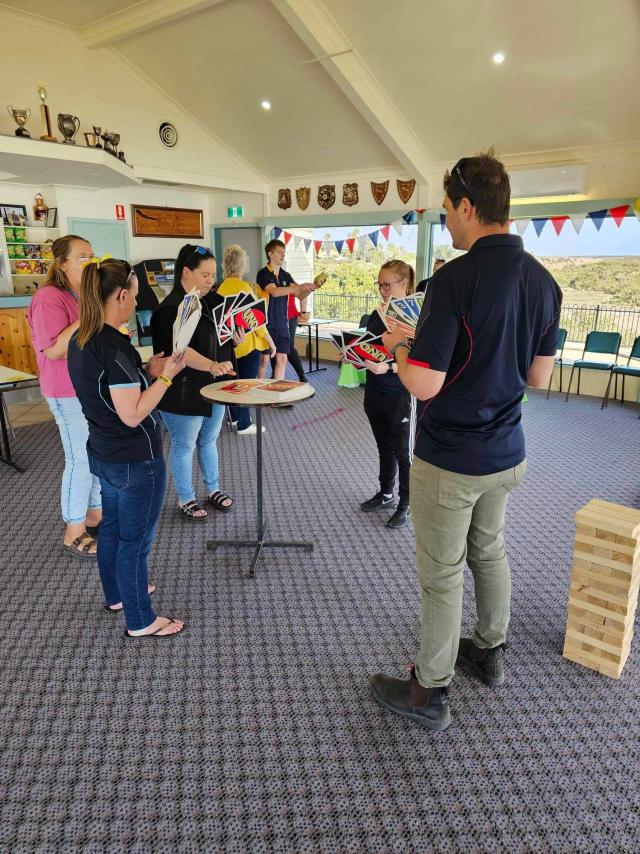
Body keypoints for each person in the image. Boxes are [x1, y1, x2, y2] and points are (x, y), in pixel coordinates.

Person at [370, 150, 562, 731]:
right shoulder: (544, 281)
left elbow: (424, 384)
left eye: (448, 209)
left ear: (469, 207)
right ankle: (488, 650)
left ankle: (429, 691)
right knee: (490, 549)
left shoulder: (455, 279)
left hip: (452, 458)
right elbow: (539, 376)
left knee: (442, 575)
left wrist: (398, 344)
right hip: (507, 453)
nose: (446, 219)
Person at [67, 256, 187, 637]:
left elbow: (109, 389)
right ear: (120, 296)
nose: (137, 303)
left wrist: (146, 372)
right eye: (135, 295)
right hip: (135, 459)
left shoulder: (81, 340)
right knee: (134, 542)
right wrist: (166, 378)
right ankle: (141, 620)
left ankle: (118, 595)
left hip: (105, 453)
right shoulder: (114, 348)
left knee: (113, 530)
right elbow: (132, 413)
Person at [27, 234, 102, 559]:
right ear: (61, 264)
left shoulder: (81, 294)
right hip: (65, 390)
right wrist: (91, 313)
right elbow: (56, 350)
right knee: (80, 459)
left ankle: (95, 514)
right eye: (82, 256)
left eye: (92, 255)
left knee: (96, 454)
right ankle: (73, 529)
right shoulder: (48, 297)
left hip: (88, 387)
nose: (91, 261)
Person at [150, 244, 236, 520]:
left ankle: (213, 489)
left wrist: (235, 337)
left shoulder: (209, 301)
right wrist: (211, 365)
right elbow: (179, 352)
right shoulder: (169, 310)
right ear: (186, 272)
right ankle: (185, 497)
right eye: (205, 275)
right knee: (184, 444)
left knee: (209, 441)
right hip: (182, 391)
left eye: (213, 275)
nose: (211, 281)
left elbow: (218, 338)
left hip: (213, 387)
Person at [359, 259, 416, 529]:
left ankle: (406, 503)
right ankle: (386, 493)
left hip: (399, 392)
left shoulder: (415, 318)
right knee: (384, 446)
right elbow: (368, 347)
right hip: (374, 390)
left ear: (404, 284)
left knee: (403, 452)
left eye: (387, 285)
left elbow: (420, 359)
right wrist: (353, 356)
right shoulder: (376, 314)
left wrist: (390, 367)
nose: (382, 291)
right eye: (379, 285)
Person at [217, 243, 276, 435]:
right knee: (246, 385)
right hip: (248, 345)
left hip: (230, 346)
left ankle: (234, 418)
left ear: (224, 265)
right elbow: (256, 320)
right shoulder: (244, 287)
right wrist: (270, 341)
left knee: (233, 383)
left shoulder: (220, 289)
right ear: (242, 265)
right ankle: (244, 424)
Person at [256, 239, 314, 381]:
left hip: (282, 324)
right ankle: (257, 388)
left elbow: (300, 295)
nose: (283, 255)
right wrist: (298, 287)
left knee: (282, 359)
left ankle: (277, 391)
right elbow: (274, 292)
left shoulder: (286, 275)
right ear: (270, 254)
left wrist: (311, 288)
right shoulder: (263, 273)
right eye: (279, 252)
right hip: (266, 324)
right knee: (264, 360)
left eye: (284, 252)